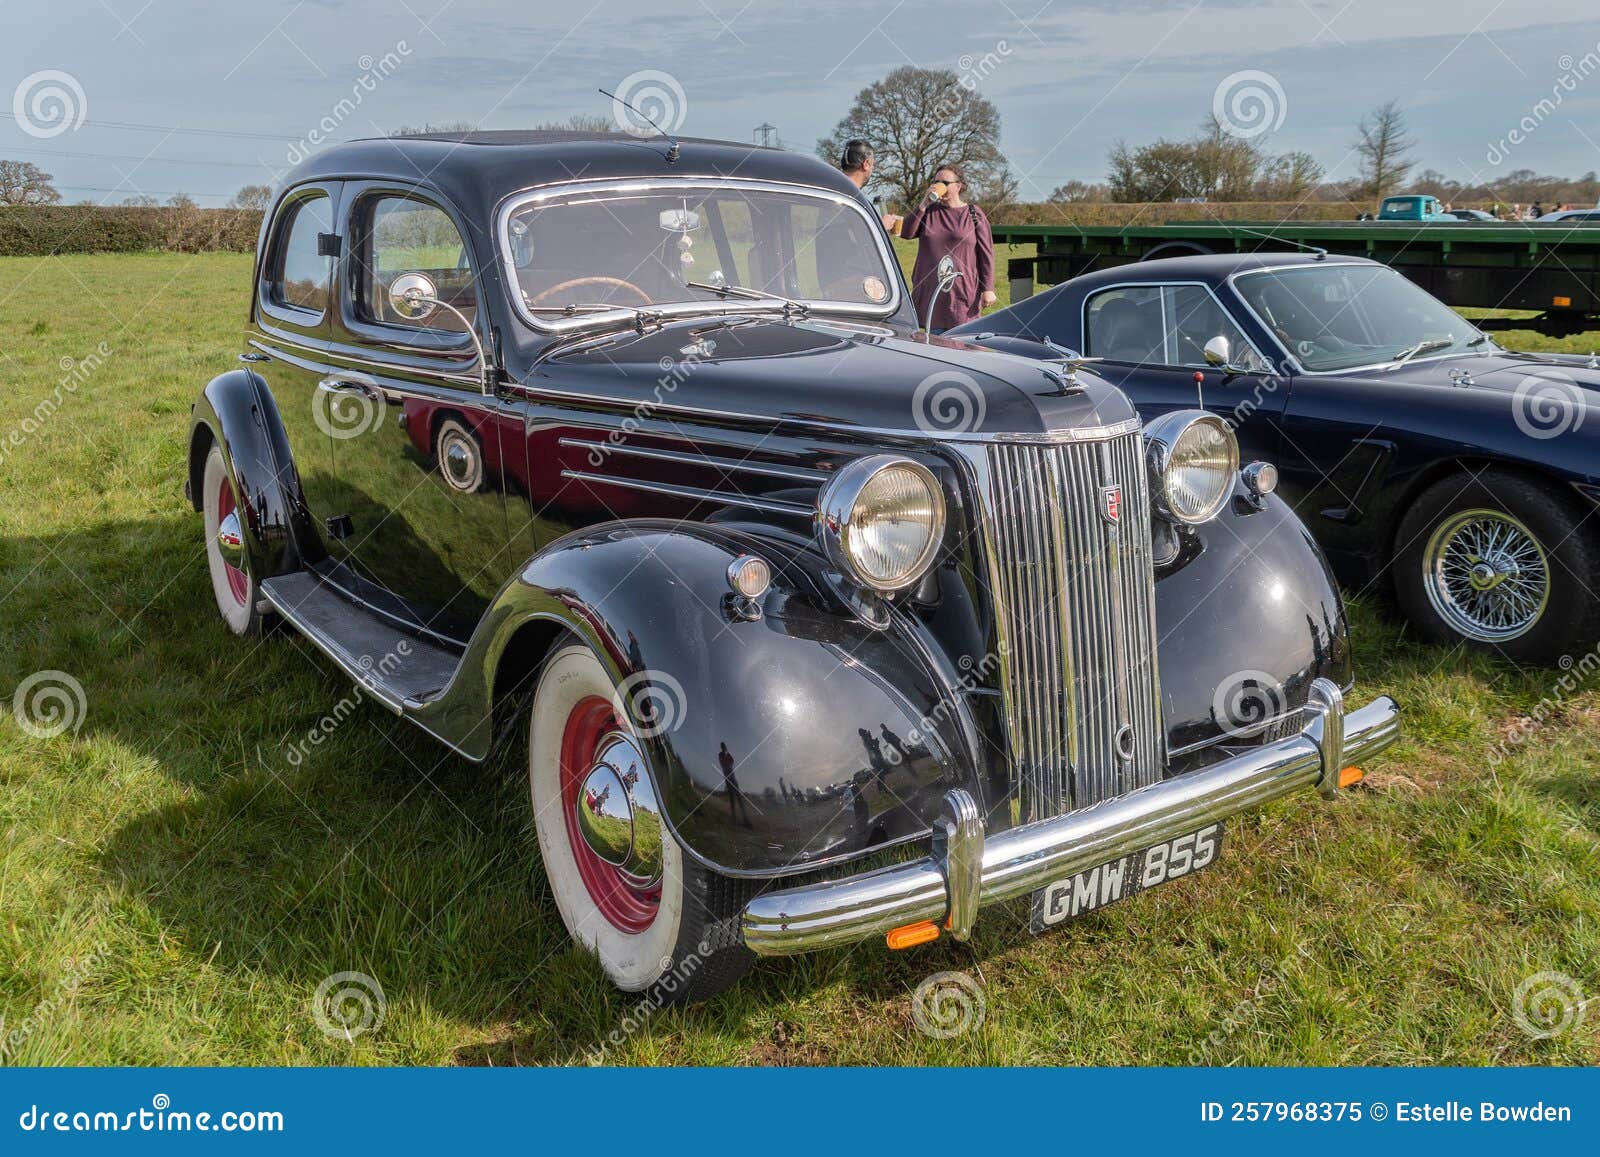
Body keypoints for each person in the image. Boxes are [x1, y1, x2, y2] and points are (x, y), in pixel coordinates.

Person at [900, 162, 996, 331]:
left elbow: (986, 255)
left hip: (961, 293)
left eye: (945, 183)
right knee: (930, 348)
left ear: (959, 186)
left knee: (962, 348)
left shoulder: (973, 214)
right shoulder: (929, 212)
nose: (938, 186)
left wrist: (987, 288)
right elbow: (906, 232)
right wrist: (923, 204)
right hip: (929, 292)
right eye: (935, 182)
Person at [840, 139, 900, 234]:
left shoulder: (836, 190)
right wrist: (881, 226)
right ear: (866, 164)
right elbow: (851, 236)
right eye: (873, 164)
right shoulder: (850, 197)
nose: (873, 168)